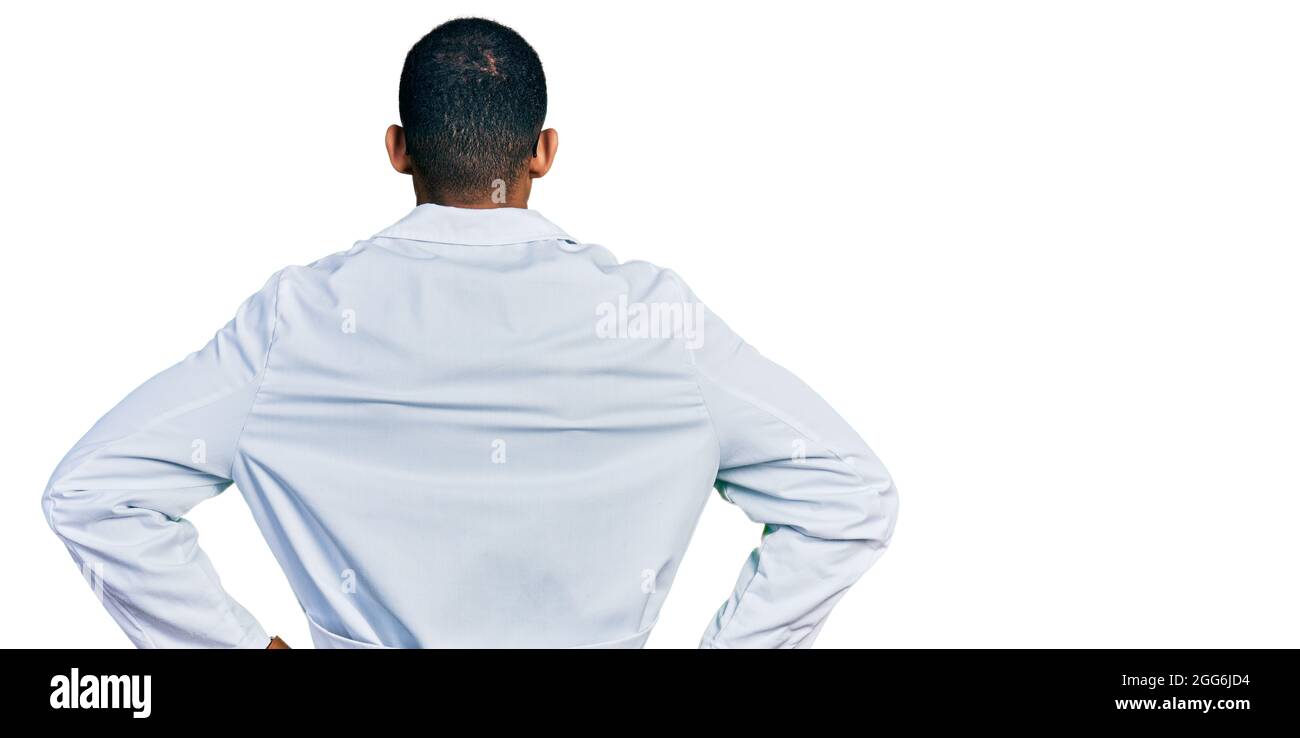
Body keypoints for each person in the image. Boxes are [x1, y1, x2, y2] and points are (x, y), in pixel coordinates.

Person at [42, 17, 898, 649]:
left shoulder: (295, 322)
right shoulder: (653, 321)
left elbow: (93, 493)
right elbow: (849, 496)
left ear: (397, 149)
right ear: (545, 151)